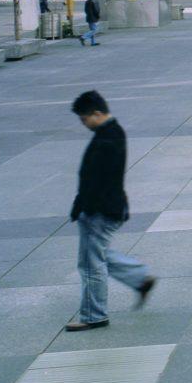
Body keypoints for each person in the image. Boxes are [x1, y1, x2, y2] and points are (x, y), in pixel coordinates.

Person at [66, 90, 154, 331]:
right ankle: (140, 278)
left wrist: (84, 209)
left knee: (90, 264)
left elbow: (96, 181)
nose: (84, 124)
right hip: (107, 207)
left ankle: (94, 315)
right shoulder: (112, 132)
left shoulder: (107, 138)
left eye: (84, 119)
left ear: (96, 113)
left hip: (99, 211)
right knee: (97, 255)